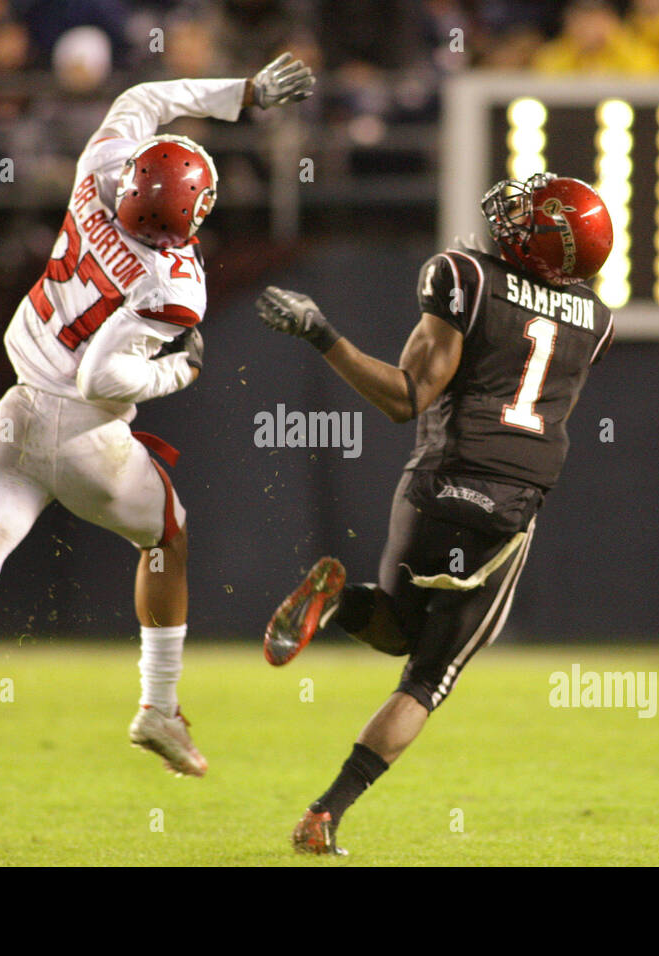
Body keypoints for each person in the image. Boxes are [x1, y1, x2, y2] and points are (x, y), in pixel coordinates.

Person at [0, 53, 315, 823]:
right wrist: (180, 375)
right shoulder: (174, 279)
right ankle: (159, 707)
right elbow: (103, 380)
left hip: (16, 410)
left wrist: (238, 94)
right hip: (85, 437)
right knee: (169, 533)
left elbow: (145, 95)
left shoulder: (100, 169)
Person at [256, 173, 615, 855]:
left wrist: (320, 332)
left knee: (395, 627)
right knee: (427, 679)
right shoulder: (597, 320)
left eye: (528, 214)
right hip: (506, 509)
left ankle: (337, 604)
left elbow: (405, 397)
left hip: (434, 488)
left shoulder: (464, 275)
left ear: (546, 243)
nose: (510, 215)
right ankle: (324, 815)